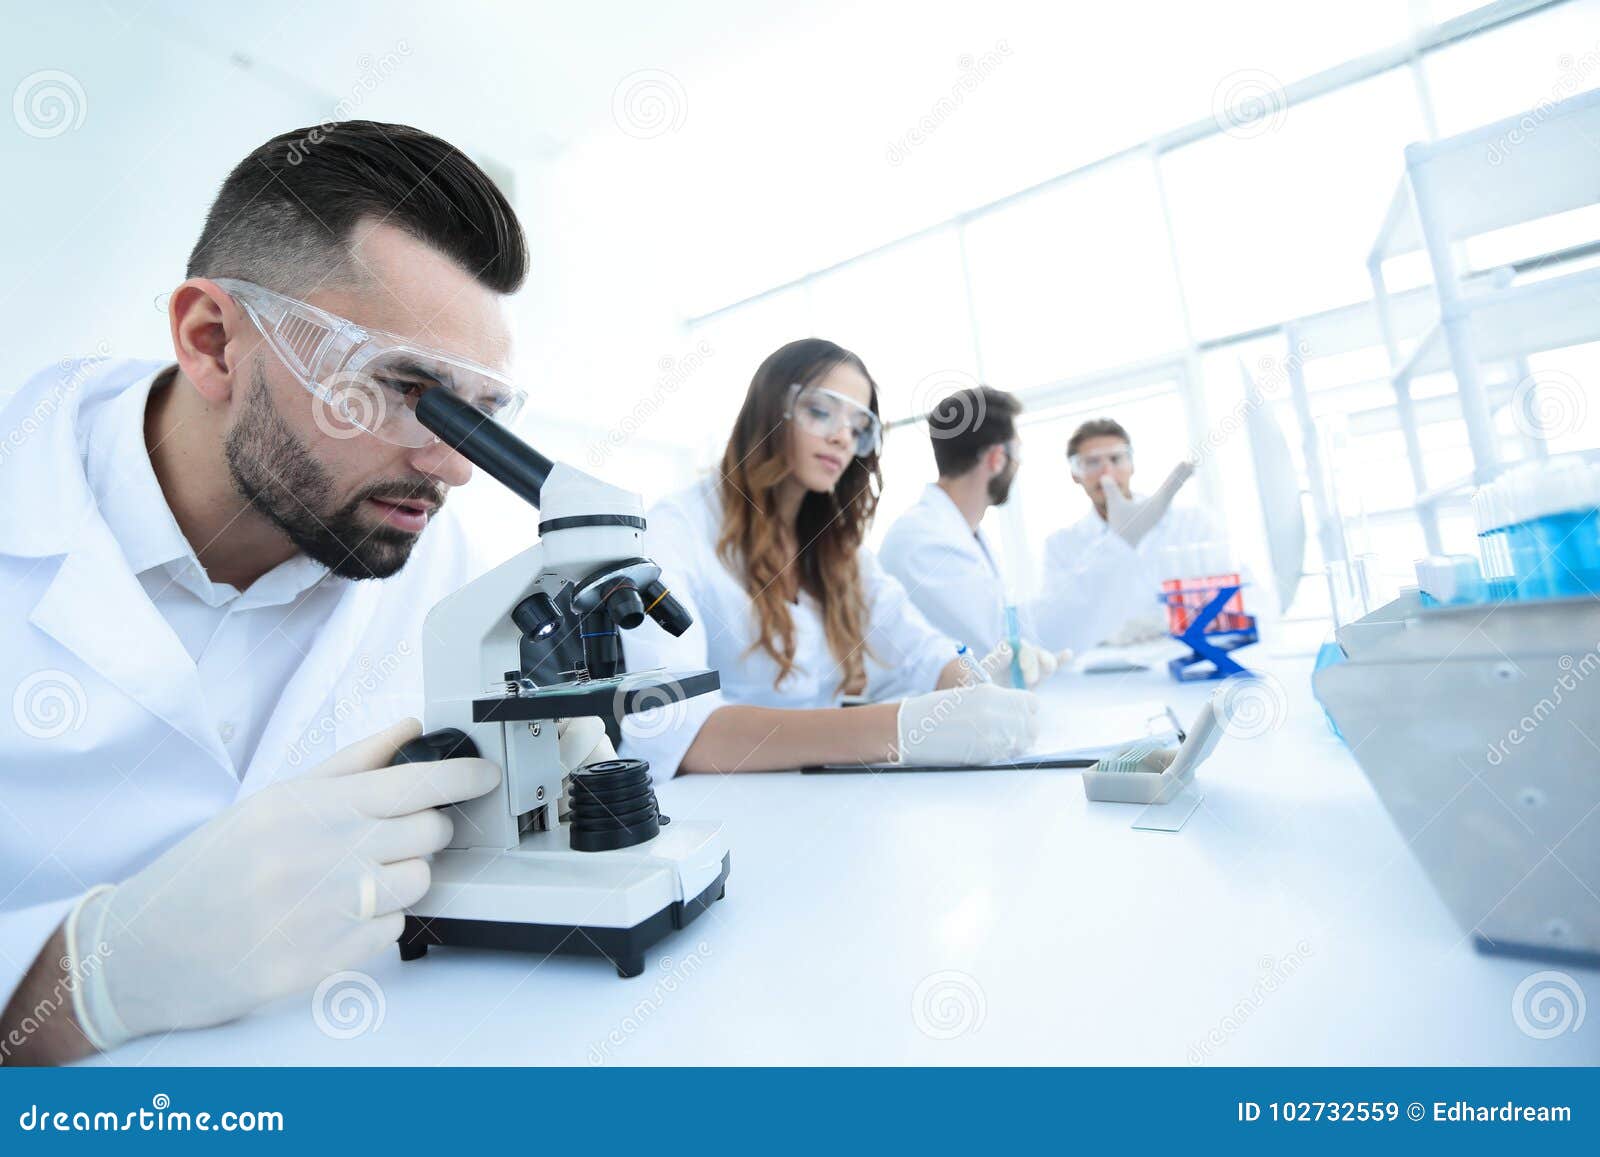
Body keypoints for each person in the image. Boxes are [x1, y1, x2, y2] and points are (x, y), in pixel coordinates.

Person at [0, 122, 610, 1065]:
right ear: (213, 342)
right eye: (404, 387)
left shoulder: (431, 559)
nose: (451, 464)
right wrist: (81, 984)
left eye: (479, 413)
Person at [618, 339, 1040, 779]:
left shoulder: (836, 549)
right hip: (723, 811)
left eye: (859, 427)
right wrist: (895, 729)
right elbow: (677, 731)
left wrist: (983, 690)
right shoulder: (677, 529)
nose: (842, 436)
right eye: (821, 412)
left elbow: (921, 650)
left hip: (823, 798)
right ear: (768, 409)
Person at [878, 385, 1066, 682]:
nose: (1020, 462)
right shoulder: (921, 540)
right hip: (930, 716)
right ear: (996, 458)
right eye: (1017, 451)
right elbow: (996, 648)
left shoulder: (958, 531)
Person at [1036, 418, 1214, 650]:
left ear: (1132, 464)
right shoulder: (1060, 546)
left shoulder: (1190, 522)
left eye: (1116, 459)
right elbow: (1057, 625)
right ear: (1075, 474)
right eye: (1091, 462)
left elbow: (1245, 601)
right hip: (1105, 672)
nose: (1106, 472)